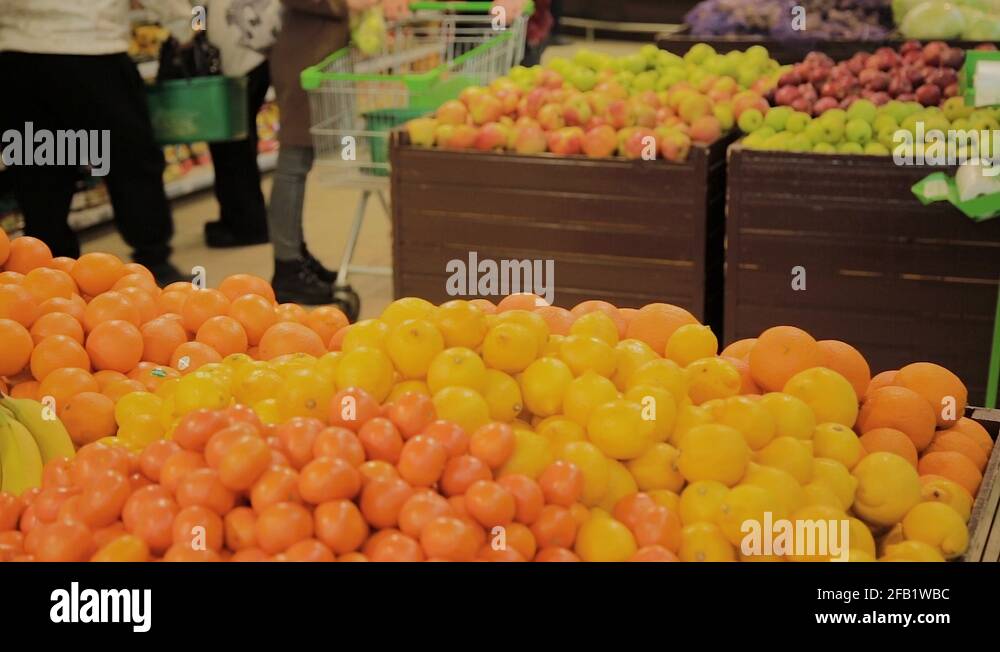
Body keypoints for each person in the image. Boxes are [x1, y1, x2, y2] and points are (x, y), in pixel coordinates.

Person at [267, 0, 526, 305]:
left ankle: (296, 254)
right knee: (293, 163)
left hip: (322, 56)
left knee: (301, 161)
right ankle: (287, 267)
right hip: (303, 59)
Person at [0, 0, 191, 285]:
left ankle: (50, 273)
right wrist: (187, 26)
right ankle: (154, 261)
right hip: (95, 53)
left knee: (41, 169)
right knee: (130, 162)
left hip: (20, 57)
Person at [203, 0, 282, 248]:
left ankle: (248, 224)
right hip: (254, 48)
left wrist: (186, 29)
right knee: (238, 138)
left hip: (236, 54)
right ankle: (241, 218)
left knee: (232, 141)